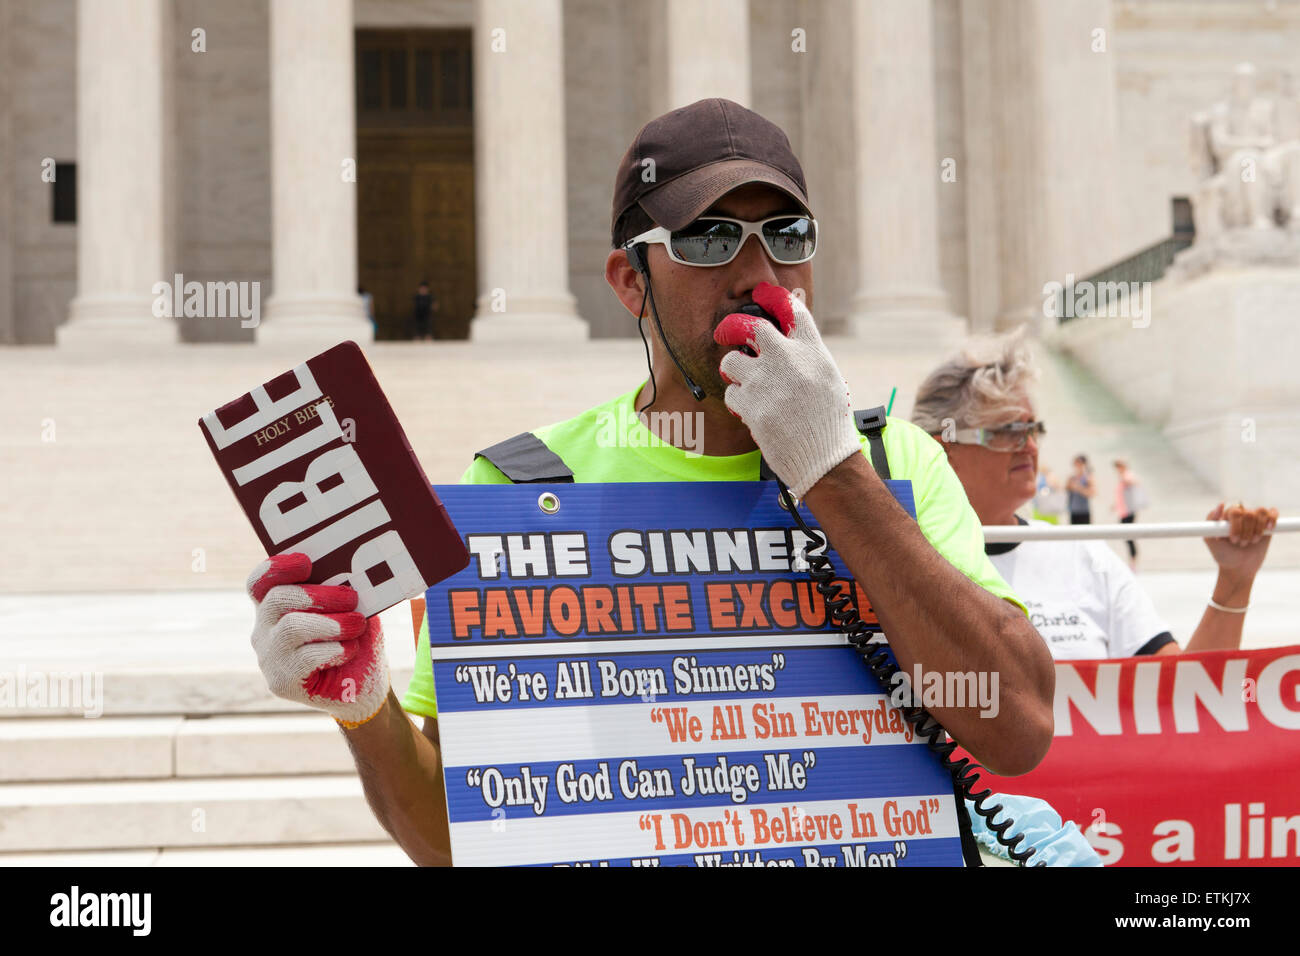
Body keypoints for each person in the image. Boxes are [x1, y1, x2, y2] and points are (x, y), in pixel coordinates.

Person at [247, 99, 1072, 866]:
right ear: (629, 281)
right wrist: (365, 710)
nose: (759, 275)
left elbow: (1020, 731)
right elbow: (460, 839)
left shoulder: (892, 462)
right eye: (708, 240)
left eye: (787, 236)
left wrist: (829, 467)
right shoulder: (522, 486)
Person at [912, 330, 1278, 660]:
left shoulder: (1084, 556)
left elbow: (1181, 697)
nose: (1030, 446)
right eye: (1008, 430)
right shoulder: (895, 558)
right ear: (941, 449)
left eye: (1033, 428)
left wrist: (1234, 581)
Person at [1113, 458, 1143, 568]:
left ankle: (1133, 560)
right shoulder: (1122, 477)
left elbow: (1134, 483)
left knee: (1129, 536)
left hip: (1129, 511)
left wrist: (1124, 478)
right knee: (1126, 536)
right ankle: (1132, 559)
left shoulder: (1127, 475)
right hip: (1123, 511)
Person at [1066, 454, 1094, 525]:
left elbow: (1092, 493)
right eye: (1076, 463)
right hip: (1073, 511)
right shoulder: (1072, 477)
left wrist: (1078, 488)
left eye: (1079, 463)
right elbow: (1066, 489)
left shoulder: (1088, 477)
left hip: (1083, 511)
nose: (1077, 465)